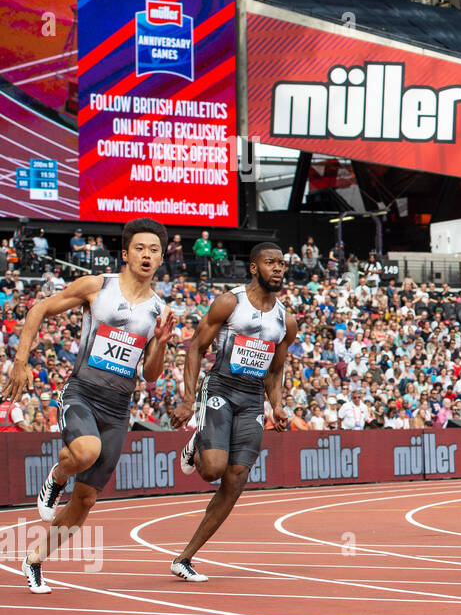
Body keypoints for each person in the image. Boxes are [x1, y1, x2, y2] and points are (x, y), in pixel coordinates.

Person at [5, 218, 174, 594]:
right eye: (140, 248)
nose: (146, 255)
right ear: (126, 253)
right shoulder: (98, 287)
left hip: (118, 408)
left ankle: (34, 560)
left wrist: (160, 343)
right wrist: (21, 361)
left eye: (154, 250)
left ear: (161, 259)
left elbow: (150, 374)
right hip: (82, 391)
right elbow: (38, 311)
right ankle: (56, 478)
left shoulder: (158, 311)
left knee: (85, 501)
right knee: (85, 450)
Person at [169, 243, 297, 581]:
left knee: (236, 479)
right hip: (222, 388)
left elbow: (274, 370)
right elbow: (196, 347)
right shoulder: (231, 302)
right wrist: (187, 399)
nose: (278, 269)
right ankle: (198, 444)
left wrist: (278, 405)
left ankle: (185, 557)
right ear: (254, 267)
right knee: (212, 470)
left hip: (252, 399)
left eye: (282, 264)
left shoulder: (286, 319)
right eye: (271, 262)